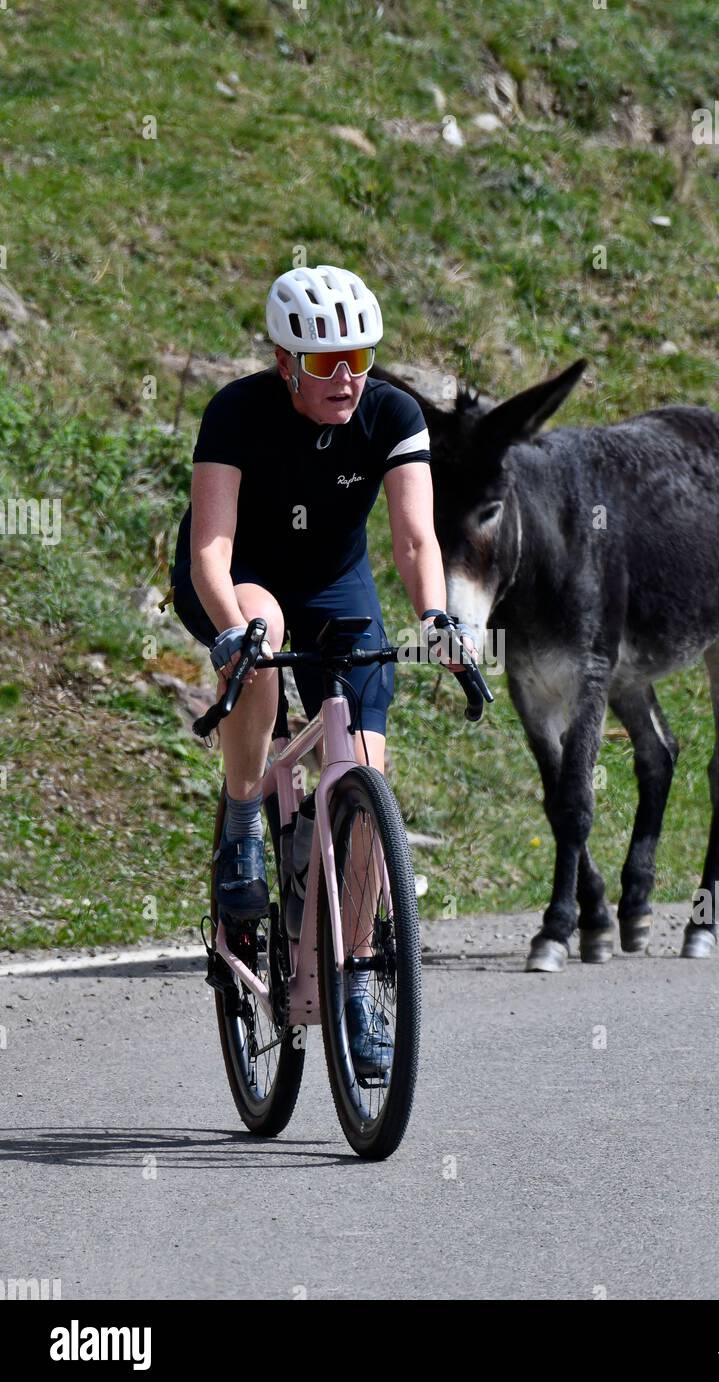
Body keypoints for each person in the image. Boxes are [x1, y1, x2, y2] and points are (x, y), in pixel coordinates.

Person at [168, 263, 474, 1070]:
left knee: (368, 774)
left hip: (337, 585)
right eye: (323, 363)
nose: (344, 377)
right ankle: (242, 822)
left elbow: (413, 540)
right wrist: (233, 631)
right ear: (284, 363)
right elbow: (211, 549)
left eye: (358, 359)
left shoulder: (393, 413)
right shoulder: (237, 412)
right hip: (244, 577)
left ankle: (355, 988)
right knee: (262, 641)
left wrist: (436, 617)